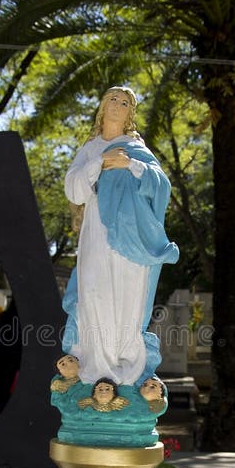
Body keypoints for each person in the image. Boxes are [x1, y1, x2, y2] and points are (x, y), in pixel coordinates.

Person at [62, 86, 178, 386]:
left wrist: (130, 164)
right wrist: (100, 161)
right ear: (102, 106)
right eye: (112, 99)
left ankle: (125, 367)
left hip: (132, 239)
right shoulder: (90, 149)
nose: (117, 104)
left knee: (127, 296)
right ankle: (94, 368)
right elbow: (74, 189)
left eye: (124, 102)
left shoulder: (136, 148)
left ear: (130, 113)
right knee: (95, 292)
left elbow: (161, 186)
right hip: (97, 233)